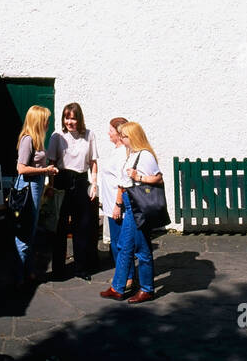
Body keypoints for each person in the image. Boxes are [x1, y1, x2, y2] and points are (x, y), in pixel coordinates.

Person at [99, 120, 163, 303]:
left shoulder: (145, 155)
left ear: (132, 137)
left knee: (142, 248)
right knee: (123, 246)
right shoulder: (132, 154)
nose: (122, 138)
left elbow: (158, 179)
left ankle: (147, 289)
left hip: (138, 206)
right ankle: (118, 287)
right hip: (129, 204)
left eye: (125, 136)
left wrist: (139, 177)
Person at [46, 102, 101, 278]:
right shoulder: (57, 136)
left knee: (81, 226)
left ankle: (81, 268)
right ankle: (59, 270)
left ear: (79, 119)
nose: (69, 122)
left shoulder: (89, 135)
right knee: (60, 227)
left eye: (73, 118)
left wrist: (94, 183)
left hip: (81, 181)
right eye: (66, 117)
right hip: (62, 180)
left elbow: (93, 161)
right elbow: (52, 163)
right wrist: (51, 186)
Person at [12, 105, 58, 284]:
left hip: (35, 187)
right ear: (38, 121)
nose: (48, 122)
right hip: (28, 188)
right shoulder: (28, 140)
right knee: (24, 234)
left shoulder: (37, 140)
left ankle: (28, 272)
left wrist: (45, 172)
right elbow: (21, 168)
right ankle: (19, 278)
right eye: (45, 119)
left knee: (30, 232)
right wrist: (45, 170)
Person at [97, 116, 129, 268]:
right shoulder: (116, 150)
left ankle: (124, 279)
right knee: (116, 243)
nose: (108, 133)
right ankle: (122, 278)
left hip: (117, 207)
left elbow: (122, 183)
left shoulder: (123, 153)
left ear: (118, 132)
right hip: (110, 205)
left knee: (119, 243)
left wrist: (118, 204)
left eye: (110, 130)